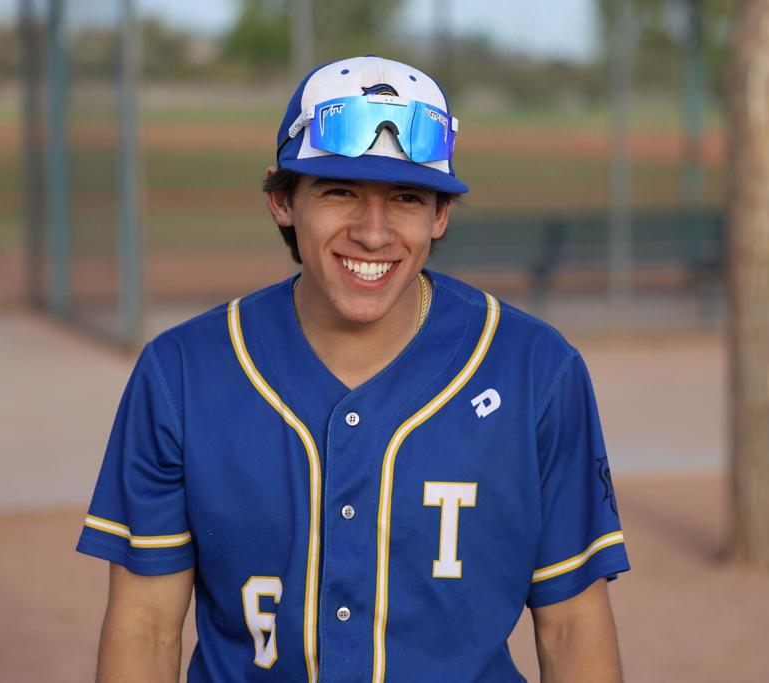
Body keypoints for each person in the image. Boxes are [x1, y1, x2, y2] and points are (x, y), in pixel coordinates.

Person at [77, 55, 630, 682]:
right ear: (283, 201)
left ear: (440, 215)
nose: (373, 233)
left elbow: (571, 624)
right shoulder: (182, 373)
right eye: (339, 191)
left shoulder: (535, 371)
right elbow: (147, 626)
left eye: (406, 198)